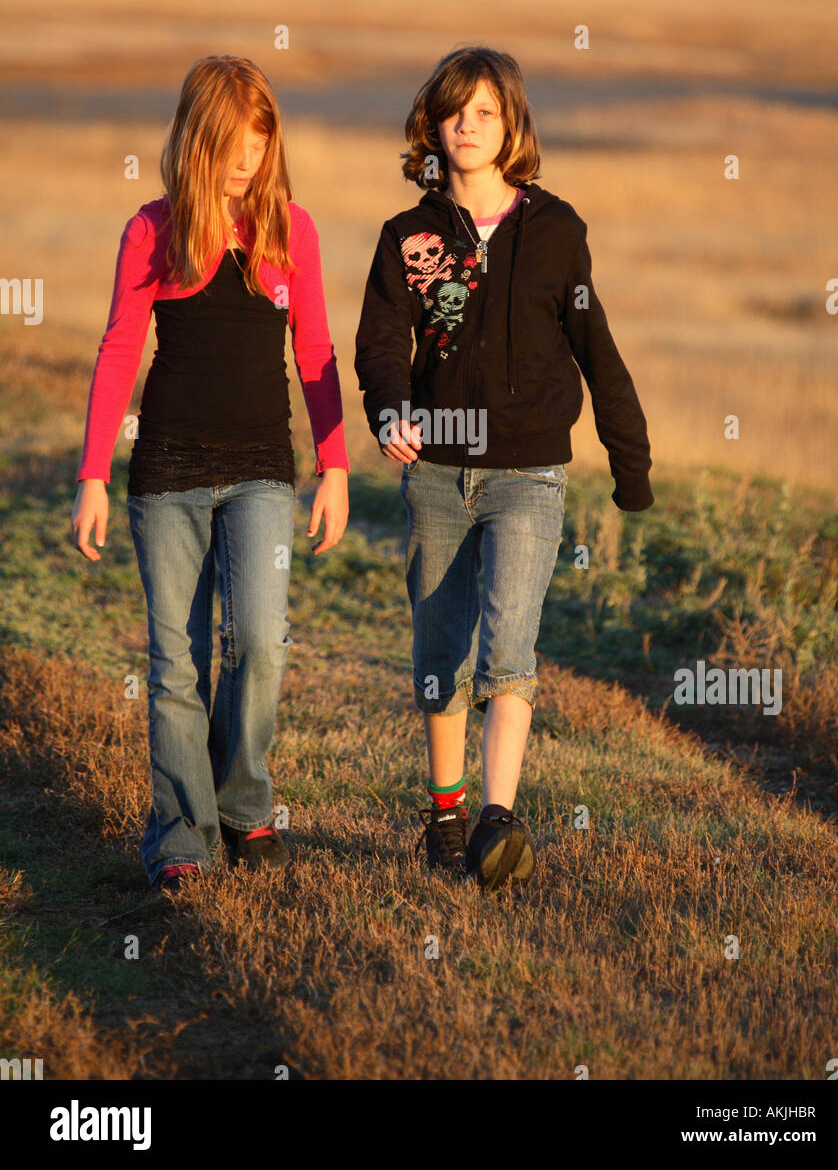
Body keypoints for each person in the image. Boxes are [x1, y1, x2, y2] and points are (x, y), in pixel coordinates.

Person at [355, 45, 653, 892]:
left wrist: (630, 463)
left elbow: (596, 348)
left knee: (509, 648)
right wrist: (389, 412)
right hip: (439, 471)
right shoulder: (406, 236)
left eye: (485, 112)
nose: (468, 126)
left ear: (511, 124)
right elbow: (379, 348)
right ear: (433, 127)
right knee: (441, 653)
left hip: (530, 473)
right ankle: (445, 812)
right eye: (454, 112)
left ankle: (498, 818)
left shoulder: (557, 230)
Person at [71, 55, 350, 894]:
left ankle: (243, 801)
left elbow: (318, 352)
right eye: (230, 141)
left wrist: (334, 465)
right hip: (167, 478)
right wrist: (92, 473)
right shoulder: (152, 231)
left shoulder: (289, 231)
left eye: (260, 141)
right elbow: (120, 349)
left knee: (261, 644)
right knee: (175, 664)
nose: (245, 159)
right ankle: (181, 838)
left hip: (263, 470)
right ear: (196, 140)